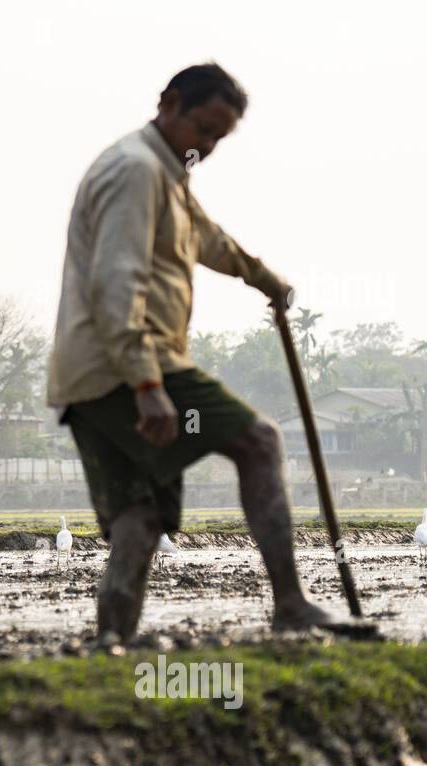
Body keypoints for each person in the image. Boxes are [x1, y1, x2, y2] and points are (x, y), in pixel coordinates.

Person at [46, 62, 337, 647]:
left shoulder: (166, 174)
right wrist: (149, 386)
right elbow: (116, 283)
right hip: (124, 363)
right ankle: (290, 605)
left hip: (89, 375)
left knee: (141, 511)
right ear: (170, 103)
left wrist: (264, 279)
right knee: (260, 442)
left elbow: (207, 239)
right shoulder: (134, 171)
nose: (206, 147)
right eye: (203, 130)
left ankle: (113, 641)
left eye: (218, 140)